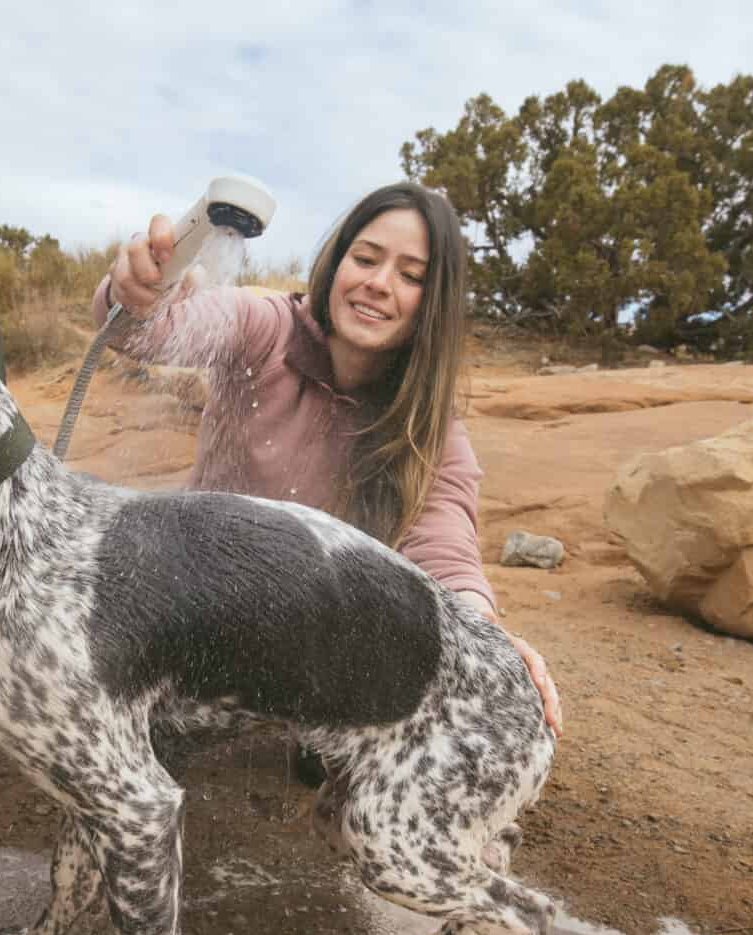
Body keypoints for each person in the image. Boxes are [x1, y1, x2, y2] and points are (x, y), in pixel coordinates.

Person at [96, 180, 563, 735]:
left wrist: (486, 635)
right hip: (199, 606)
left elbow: (445, 547)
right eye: (364, 259)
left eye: (411, 276)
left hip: (311, 638)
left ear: (433, 304)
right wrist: (138, 294)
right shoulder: (264, 326)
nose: (378, 284)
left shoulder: (430, 431)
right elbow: (154, 332)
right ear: (337, 262)